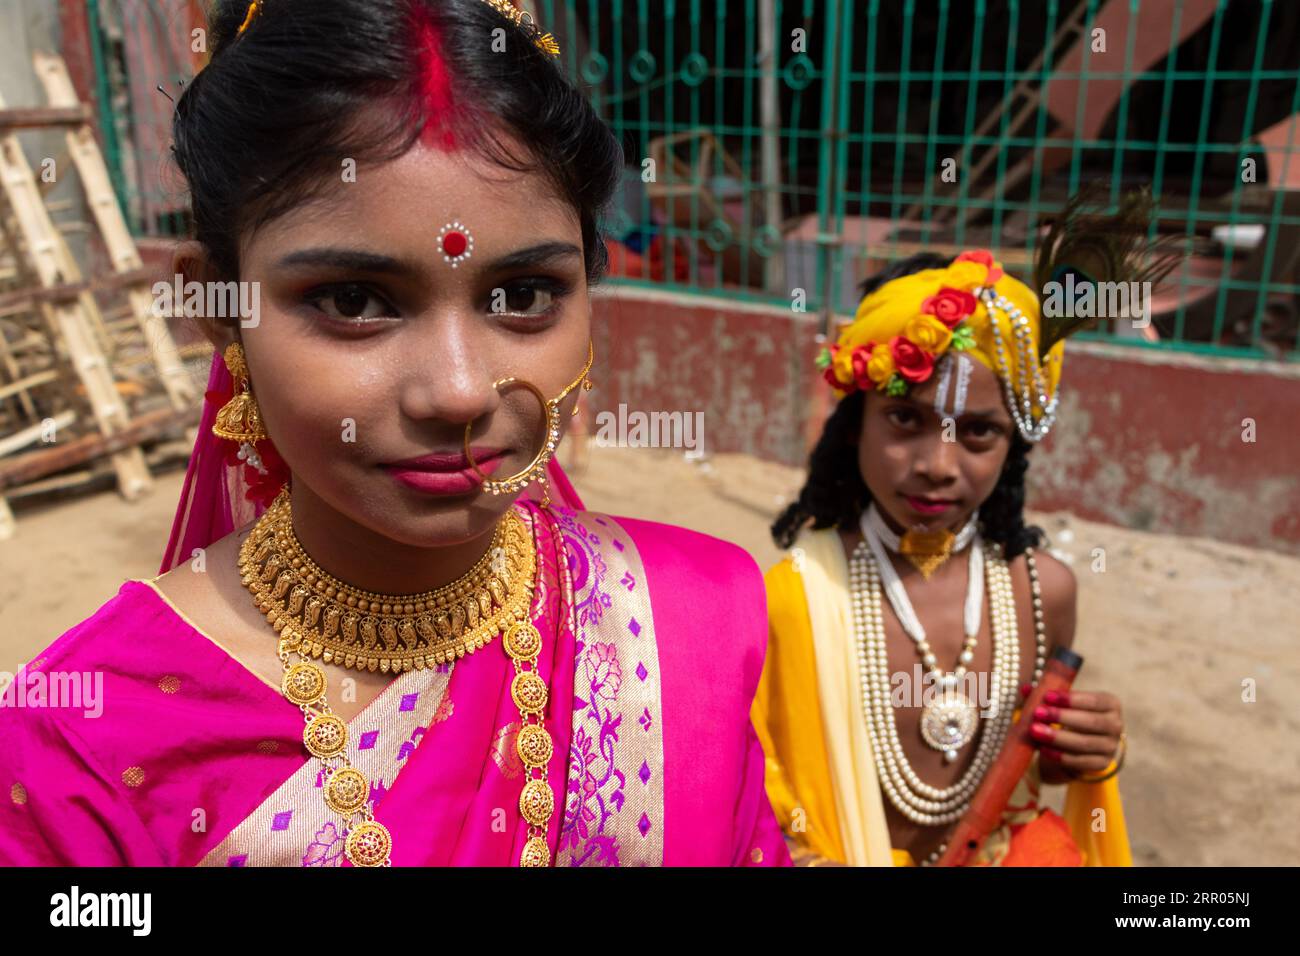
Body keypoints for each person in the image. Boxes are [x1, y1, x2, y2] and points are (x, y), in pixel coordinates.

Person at [0, 0, 788, 868]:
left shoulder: (693, 619)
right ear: (216, 308)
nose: (457, 393)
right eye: (353, 301)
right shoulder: (85, 740)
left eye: (522, 295)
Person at [754, 244, 1134, 867]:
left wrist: (1080, 753)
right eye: (904, 419)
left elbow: (1023, 774)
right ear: (856, 426)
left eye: (978, 432)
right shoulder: (791, 598)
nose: (936, 465)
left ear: (1013, 447)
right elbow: (759, 792)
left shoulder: (1042, 594)